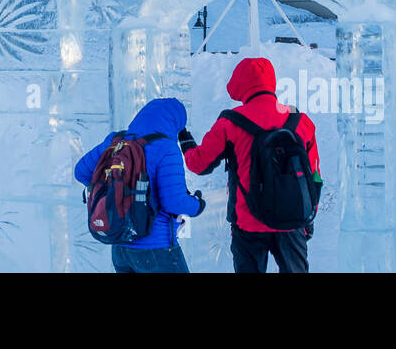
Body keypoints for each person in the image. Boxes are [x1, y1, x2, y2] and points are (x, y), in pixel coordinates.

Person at [181, 57, 322, 273]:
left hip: (248, 223)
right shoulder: (301, 121)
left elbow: (198, 164)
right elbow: (314, 178)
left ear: (241, 84)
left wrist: (186, 142)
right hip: (293, 221)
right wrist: (309, 215)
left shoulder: (230, 122)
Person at [74, 97, 205, 273]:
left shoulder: (115, 141)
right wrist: (198, 204)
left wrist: (112, 193)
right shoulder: (166, 147)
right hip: (157, 249)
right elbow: (174, 202)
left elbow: (81, 171)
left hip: (120, 246)